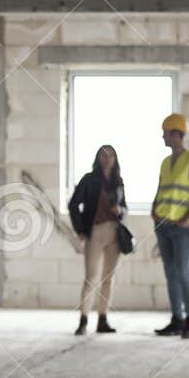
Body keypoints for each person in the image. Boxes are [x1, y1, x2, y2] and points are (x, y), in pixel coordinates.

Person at [150, 113, 189, 340]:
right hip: (163, 225)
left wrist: (187, 217)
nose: (163, 137)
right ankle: (176, 320)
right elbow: (161, 189)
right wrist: (153, 210)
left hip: (183, 228)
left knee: (182, 271)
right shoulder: (166, 162)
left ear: (176, 134)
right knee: (170, 272)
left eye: (165, 133)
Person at [66, 144, 127, 336]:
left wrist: (121, 211)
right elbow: (73, 204)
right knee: (91, 277)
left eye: (111, 155)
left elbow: (124, 207)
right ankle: (83, 321)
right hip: (95, 232)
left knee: (108, 278)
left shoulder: (118, 181)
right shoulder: (89, 180)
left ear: (115, 159)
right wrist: (81, 229)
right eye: (103, 155)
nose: (107, 158)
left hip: (114, 233)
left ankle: (103, 319)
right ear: (98, 159)